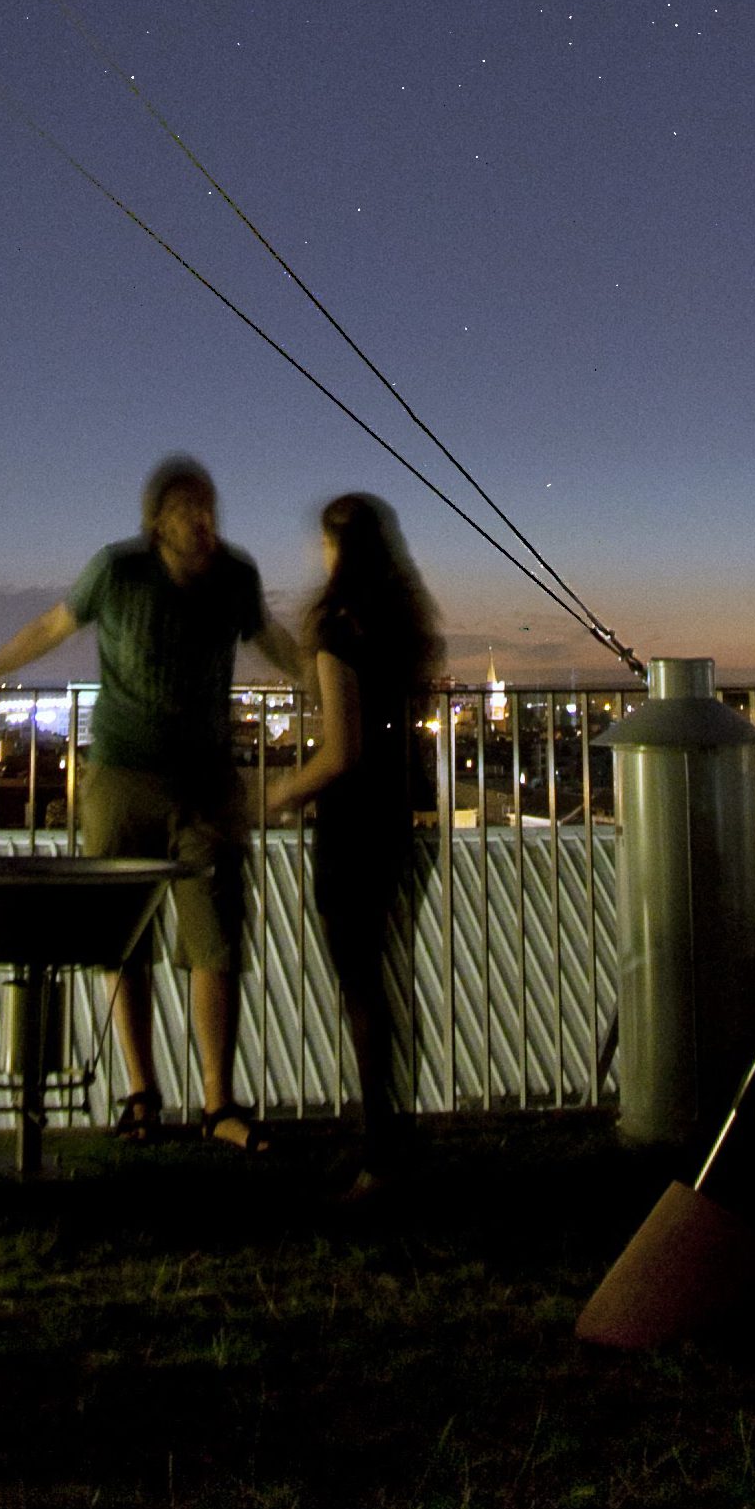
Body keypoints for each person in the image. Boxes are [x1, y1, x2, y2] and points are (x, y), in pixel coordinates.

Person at [0, 456, 303, 1150]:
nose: (203, 519)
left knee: (216, 940)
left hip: (207, 782)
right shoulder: (117, 570)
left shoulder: (235, 575)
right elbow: (52, 626)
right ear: (157, 521)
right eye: (187, 508)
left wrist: (320, 680)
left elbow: (268, 635)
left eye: (208, 505)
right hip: (121, 777)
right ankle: (141, 1093)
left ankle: (218, 1103)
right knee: (123, 940)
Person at [262, 494, 442, 1197]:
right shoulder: (403, 625)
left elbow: (340, 751)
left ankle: (380, 1155)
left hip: (352, 823)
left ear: (338, 551)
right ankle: (390, 1137)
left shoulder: (339, 628)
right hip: (400, 810)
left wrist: (278, 794)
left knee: (362, 985)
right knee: (385, 979)